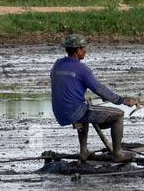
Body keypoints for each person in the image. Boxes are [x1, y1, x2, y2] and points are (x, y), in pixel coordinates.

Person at [50, 33, 136, 161]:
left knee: (83, 108)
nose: (85, 51)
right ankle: (118, 154)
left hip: (60, 112)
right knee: (118, 114)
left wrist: (103, 96)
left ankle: (83, 151)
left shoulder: (57, 64)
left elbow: (67, 85)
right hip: (75, 111)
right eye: (84, 48)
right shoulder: (82, 69)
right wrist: (121, 100)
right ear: (78, 50)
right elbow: (98, 88)